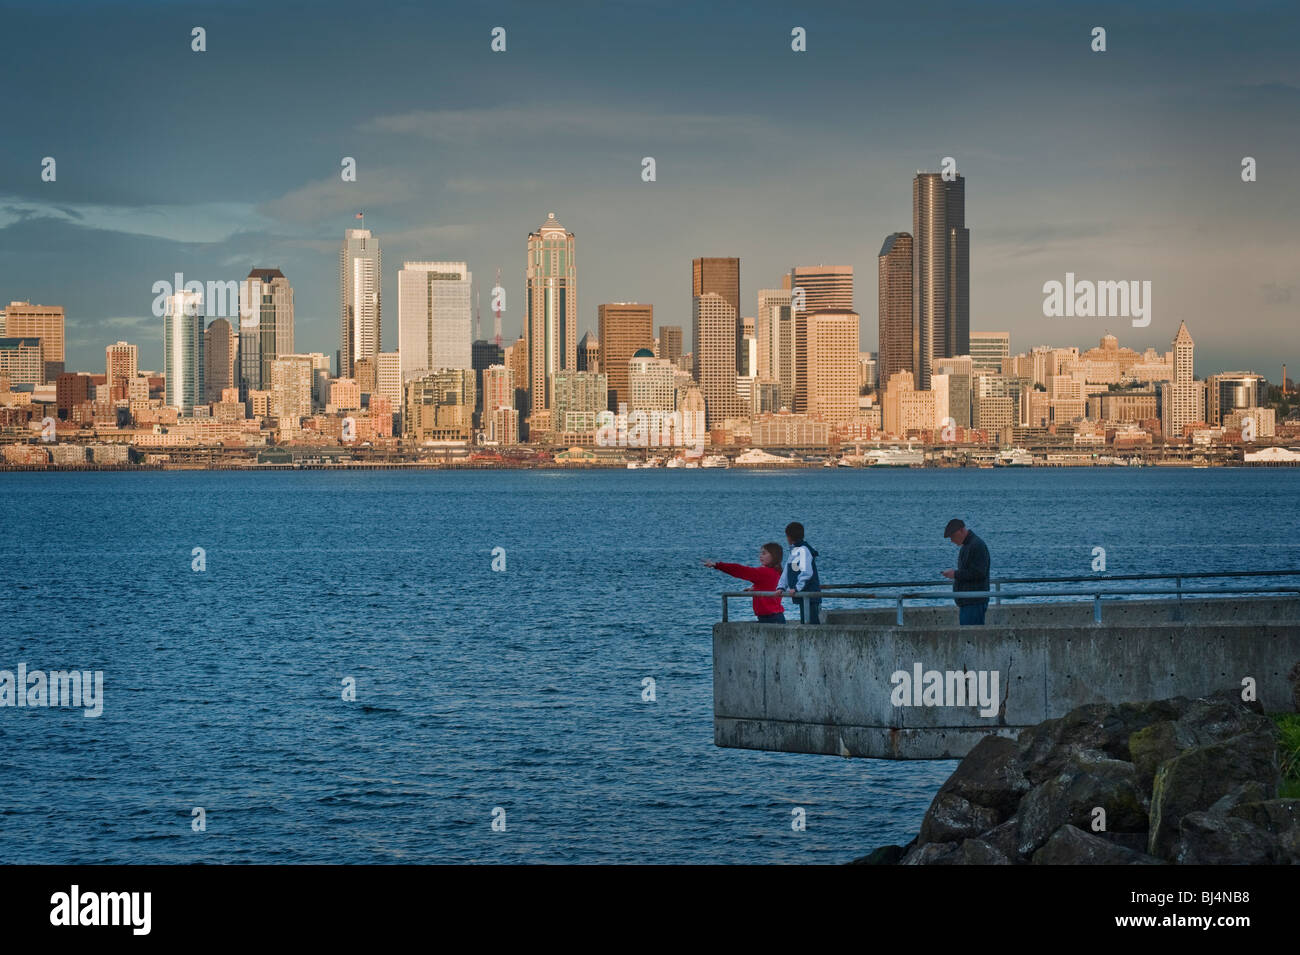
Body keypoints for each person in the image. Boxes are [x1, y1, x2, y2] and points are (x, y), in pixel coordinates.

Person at [703, 543, 786, 623]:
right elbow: (770, 586)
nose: (760, 556)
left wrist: (717, 565)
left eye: (764, 553)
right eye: (761, 553)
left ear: (773, 556)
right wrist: (755, 589)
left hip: (770, 618)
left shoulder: (765, 572)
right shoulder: (777, 572)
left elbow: (740, 570)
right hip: (774, 616)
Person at [942, 518, 990, 625]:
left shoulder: (976, 545)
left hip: (974, 601)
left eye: (953, 536)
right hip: (968, 602)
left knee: (971, 637)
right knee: (969, 636)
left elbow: (979, 573)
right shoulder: (967, 546)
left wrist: (955, 574)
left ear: (961, 531)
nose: (952, 540)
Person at [781, 522, 821, 624]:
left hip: (808, 593)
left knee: (811, 623)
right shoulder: (795, 551)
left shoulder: (803, 550)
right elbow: (788, 570)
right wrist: (781, 587)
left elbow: (806, 573)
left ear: (789, 537)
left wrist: (797, 587)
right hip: (802, 594)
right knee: (806, 621)